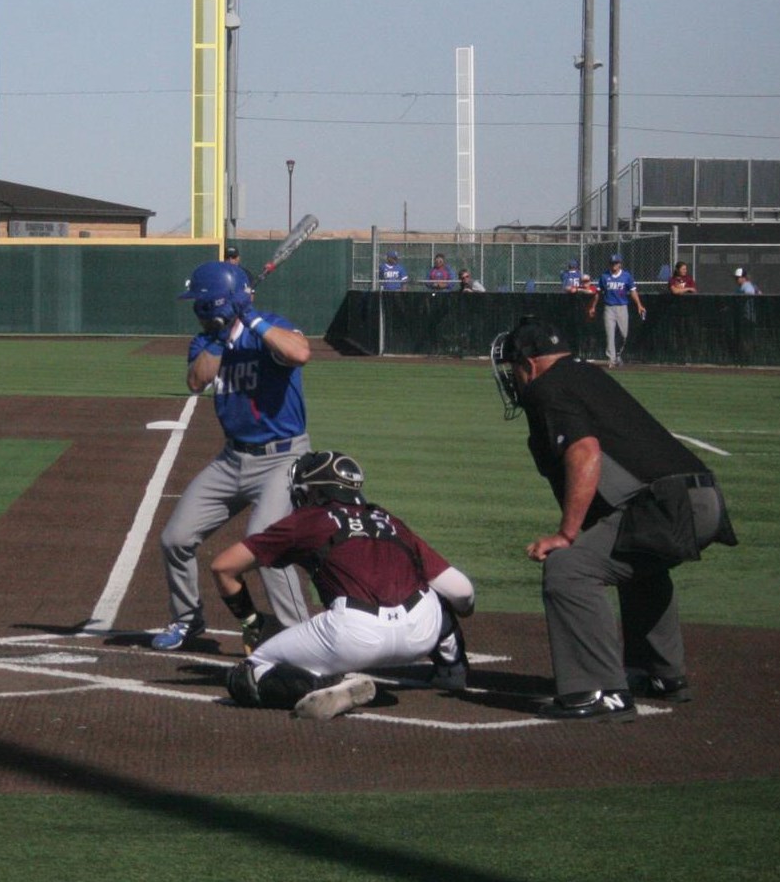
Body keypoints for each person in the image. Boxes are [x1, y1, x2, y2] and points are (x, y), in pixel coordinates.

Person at [488, 318, 736, 721]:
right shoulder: (586, 375)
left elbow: (584, 452)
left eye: (513, 368)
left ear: (529, 364)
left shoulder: (548, 387)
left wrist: (567, 533)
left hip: (667, 505)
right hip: (702, 496)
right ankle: (658, 673)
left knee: (569, 569)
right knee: (635, 560)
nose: (512, 378)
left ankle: (602, 691)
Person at [211, 451, 476, 720]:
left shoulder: (307, 521)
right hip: (420, 634)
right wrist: (454, 618)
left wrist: (251, 622)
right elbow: (462, 590)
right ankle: (452, 671)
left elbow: (223, 567)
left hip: (353, 636)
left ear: (315, 491)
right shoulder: (388, 520)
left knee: (248, 673)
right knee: (433, 594)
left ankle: (320, 684)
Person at [151, 261, 315, 651]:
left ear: (216, 302)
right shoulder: (206, 340)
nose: (196, 309)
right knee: (175, 538)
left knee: (264, 541)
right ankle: (187, 620)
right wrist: (222, 334)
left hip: (283, 458)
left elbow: (300, 353)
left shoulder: (270, 328)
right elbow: (196, 381)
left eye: (200, 302)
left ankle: (303, 638)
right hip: (232, 460)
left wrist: (251, 319)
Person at [587, 253, 645, 367]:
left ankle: (618, 354)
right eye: (612, 263)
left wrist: (639, 304)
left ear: (620, 264)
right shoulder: (604, 276)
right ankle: (611, 359)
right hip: (609, 308)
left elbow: (633, 291)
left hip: (622, 307)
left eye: (616, 263)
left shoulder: (626, 276)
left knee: (624, 334)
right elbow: (598, 293)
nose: (614, 265)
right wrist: (593, 306)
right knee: (610, 335)